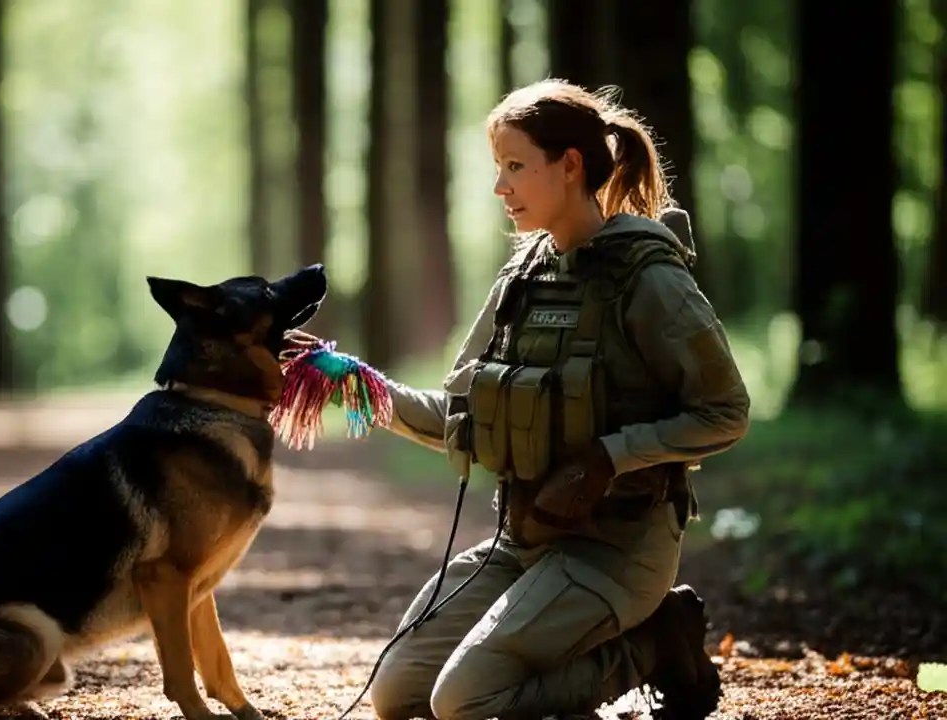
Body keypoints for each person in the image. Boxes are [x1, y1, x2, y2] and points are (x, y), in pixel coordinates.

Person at [285, 78, 750, 719]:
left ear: (570, 166)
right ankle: (554, 651)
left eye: (514, 167)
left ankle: (649, 646)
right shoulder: (523, 277)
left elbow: (725, 410)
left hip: (617, 549)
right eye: (497, 168)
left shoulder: (648, 277)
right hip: (525, 540)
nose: (500, 188)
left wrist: (612, 456)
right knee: (397, 695)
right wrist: (350, 380)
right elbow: (460, 416)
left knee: (463, 701)